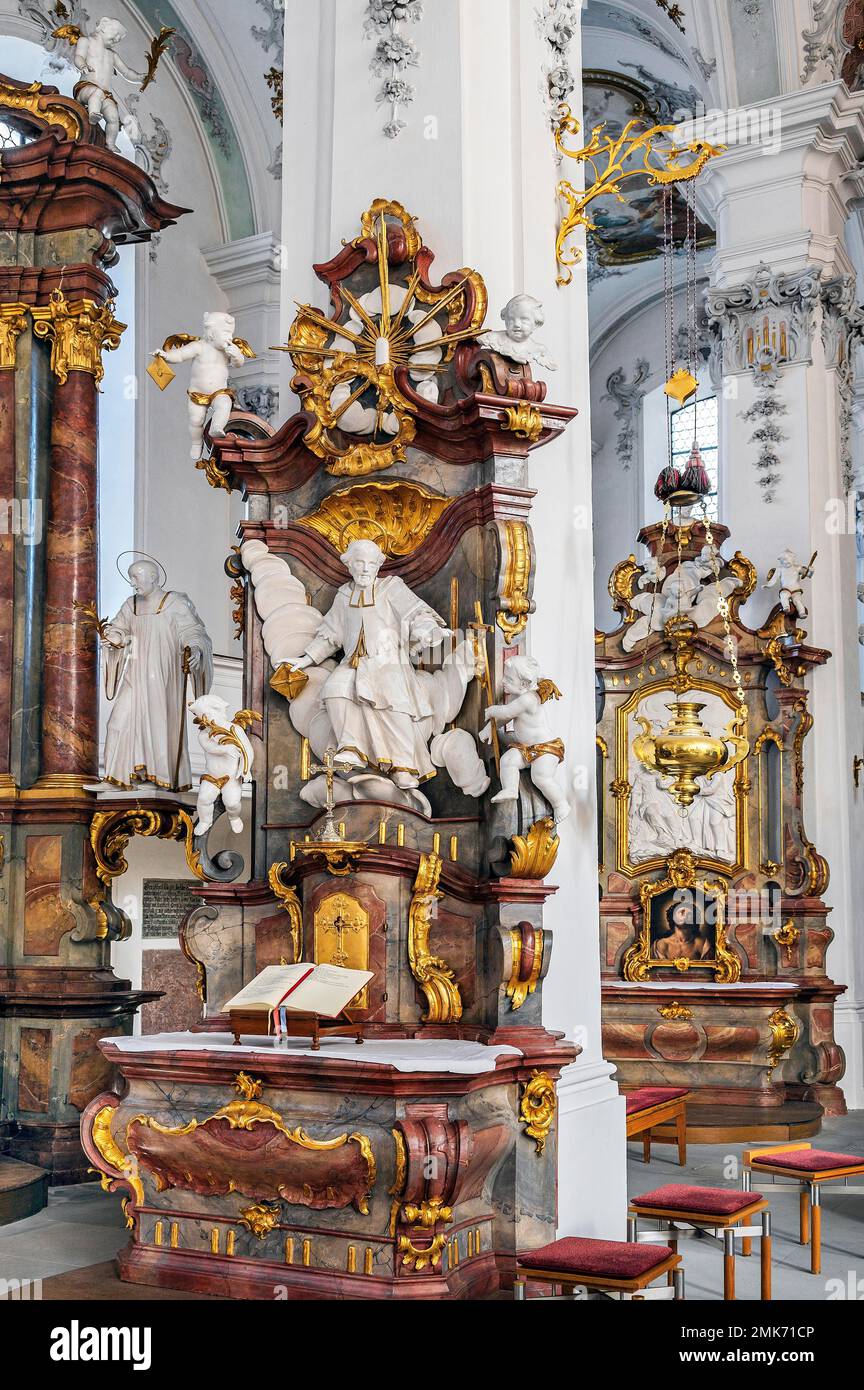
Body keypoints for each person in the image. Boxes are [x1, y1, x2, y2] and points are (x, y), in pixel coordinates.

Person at [290, 539, 449, 790]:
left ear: (378, 566)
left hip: (388, 664)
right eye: (359, 563)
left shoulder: (391, 588)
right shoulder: (344, 595)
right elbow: (331, 634)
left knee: (395, 712)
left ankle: (403, 767)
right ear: (349, 565)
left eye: (370, 564)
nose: (365, 569)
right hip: (353, 663)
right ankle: (351, 747)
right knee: (335, 689)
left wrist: (426, 629)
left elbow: (415, 614)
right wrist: (305, 659)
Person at [102, 558, 212, 791]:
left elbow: (193, 632)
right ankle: (116, 777)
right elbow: (119, 629)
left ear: (153, 577)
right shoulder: (130, 604)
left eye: (136, 578)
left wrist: (194, 649)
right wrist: (114, 638)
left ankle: (158, 774)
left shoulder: (175, 602)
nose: (132, 583)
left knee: (159, 722)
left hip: (163, 674)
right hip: (135, 672)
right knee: (117, 722)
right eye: (131, 578)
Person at [483, 654, 570, 822]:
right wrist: (489, 728)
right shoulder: (520, 698)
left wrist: (491, 711)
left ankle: (561, 804)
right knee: (507, 761)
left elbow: (506, 712)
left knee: (541, 778)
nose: (503, 682)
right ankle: (510, 789)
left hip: (546, 749)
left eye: (508, 679)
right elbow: (508, 717)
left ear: (524, 684)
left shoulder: (529, 699)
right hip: (526, 748)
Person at [152, 313, 250, 461]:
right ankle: (197, 443)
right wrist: (166, 356)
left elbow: (238, 363)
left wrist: (236, 355)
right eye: (225, 333)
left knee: (225, 404)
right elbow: (179, 355)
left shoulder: (228, 350)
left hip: (219, 392)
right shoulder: (199, 347)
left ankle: (216, 427)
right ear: (211, 333)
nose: (229, 337)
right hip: (197, 394)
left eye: (230, 333)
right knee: (196, 421)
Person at [478, 294, 557, 371]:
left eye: (524, 320)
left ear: (536, 324)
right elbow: (480, 338)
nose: (516, 324)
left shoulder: (537, 349)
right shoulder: (493, 338)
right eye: (511, 319)